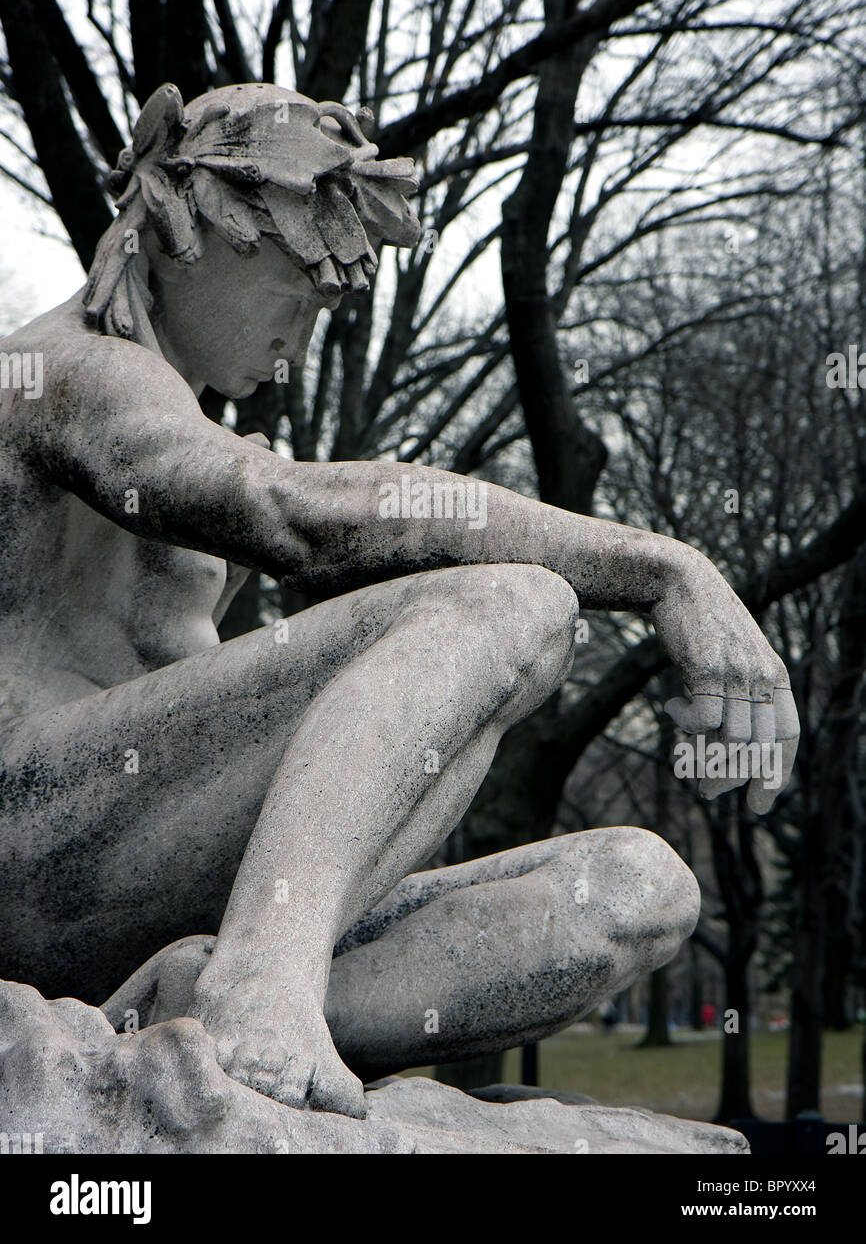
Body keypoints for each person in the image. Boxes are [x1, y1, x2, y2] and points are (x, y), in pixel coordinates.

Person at [0, 83, 799, 1118]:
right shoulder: (56, 373)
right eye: (297, 290)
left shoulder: (186, 422)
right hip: (29, 849)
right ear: (198, 227)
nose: (300, 338)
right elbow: (293, 514)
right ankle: (258, 984)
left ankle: (208, 989)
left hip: (146, 890)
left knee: (637, 888)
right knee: (510, 606)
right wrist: (657, 566)